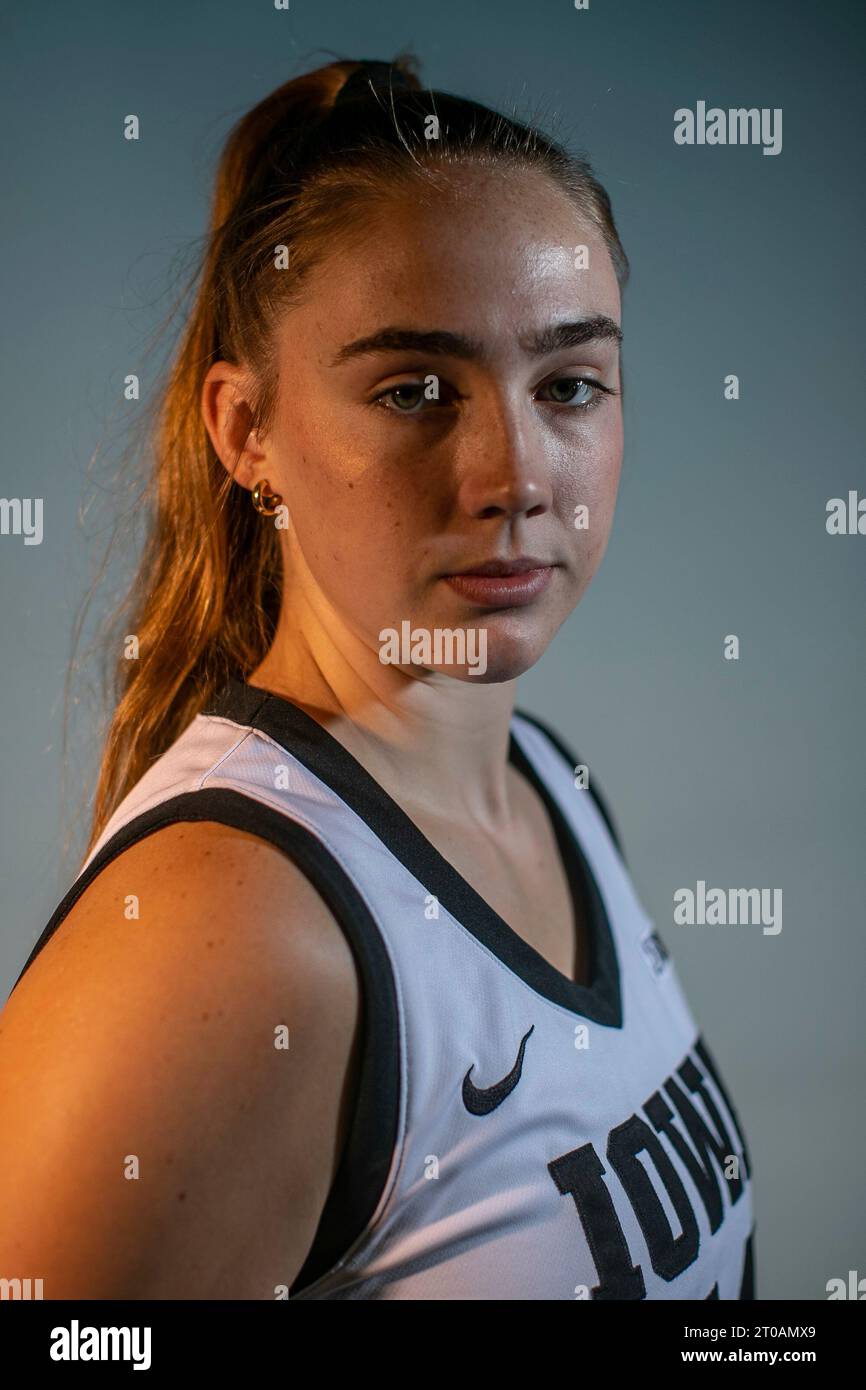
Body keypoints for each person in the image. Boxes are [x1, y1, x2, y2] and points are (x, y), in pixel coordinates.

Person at [0, 55, 755, 1299]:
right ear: (246, 432)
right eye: (414, 391)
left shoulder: (547, 789)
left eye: (569, 384)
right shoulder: (233, 937)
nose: (514, 473)